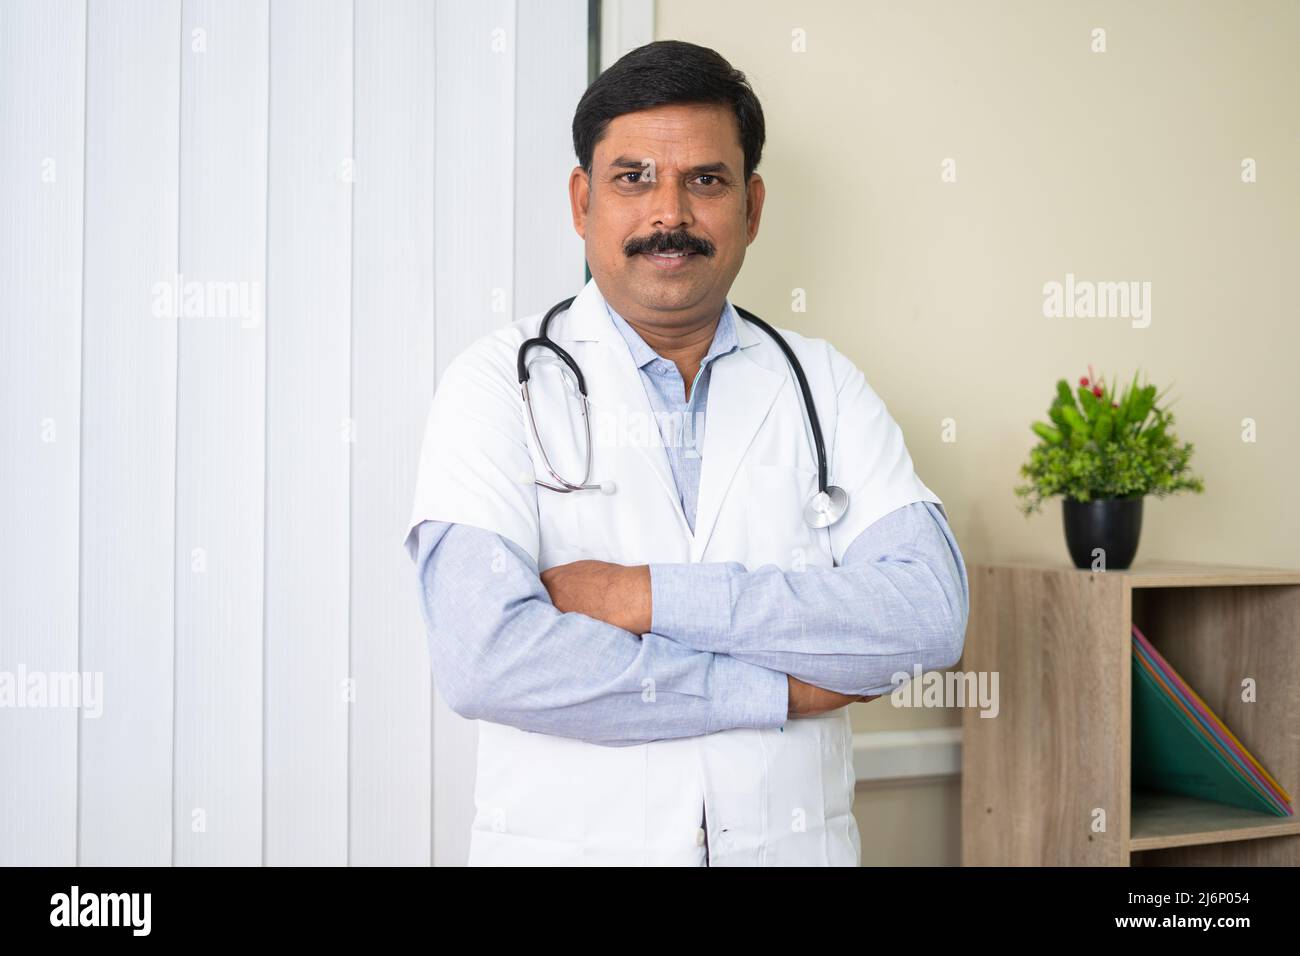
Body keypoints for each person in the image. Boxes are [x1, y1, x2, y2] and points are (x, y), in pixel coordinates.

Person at [405, 39, 968, 866]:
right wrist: (774, 691)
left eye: (706, 180)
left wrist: (643, 597)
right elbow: (485, 660)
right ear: (582, 200)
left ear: (753, 206)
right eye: (633, 177)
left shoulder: (825, 384)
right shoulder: (496, 384)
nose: (669, 213)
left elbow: (926, 617)